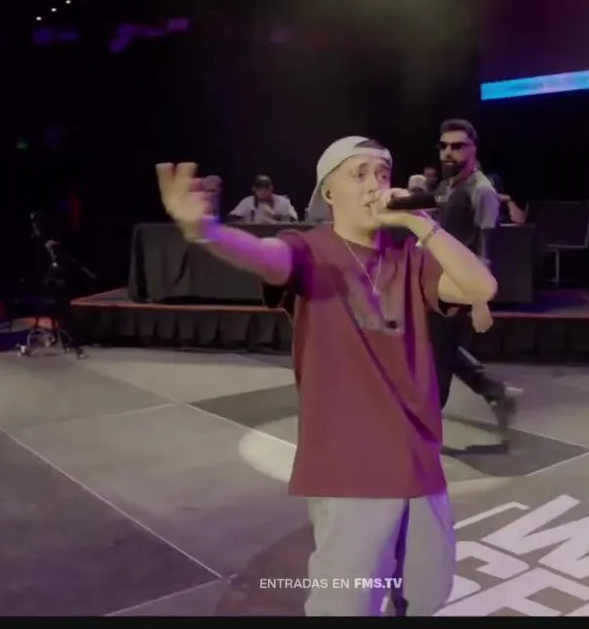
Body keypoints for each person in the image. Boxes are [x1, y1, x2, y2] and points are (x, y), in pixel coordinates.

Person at [155, 136, 498, 617]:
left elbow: (482, 286)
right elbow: (266, 256)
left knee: (427, 594)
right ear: (328, 192)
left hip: (418, 457)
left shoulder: (410, 257)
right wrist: (207, 232)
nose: (375, 184)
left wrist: (420, 224)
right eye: (359, 174)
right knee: (346, 604)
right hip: (349, 464)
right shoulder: (308, 249)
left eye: (382, 173)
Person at [432, 118, 518, 427]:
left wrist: (478, 300)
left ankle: (426, 425)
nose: (448, 152)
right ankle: (495, 391)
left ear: (473, 149)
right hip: (437, 280)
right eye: (443, 146)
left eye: (457, 146)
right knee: (439, 346)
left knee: (438, 354)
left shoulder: (481, 191)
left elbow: (484, 249)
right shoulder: (446, 185)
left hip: (459, 285)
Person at [228, 174, 299, 224]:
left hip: (277, 235)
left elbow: (294, 219)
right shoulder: (247, 202)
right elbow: (231, 217)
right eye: (259, 188)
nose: (263, 191)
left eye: (266, 188)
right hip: (253, 235)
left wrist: (276, 216)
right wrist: (245, 221)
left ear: (271, 188)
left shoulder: (283, 201)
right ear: (254, 189)